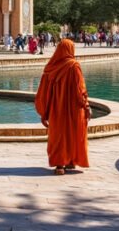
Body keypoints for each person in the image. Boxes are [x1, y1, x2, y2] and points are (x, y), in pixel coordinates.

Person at [34, 38, 90, 175]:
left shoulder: (49, 68)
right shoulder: (73, 66)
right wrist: (86, 106)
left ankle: (60, 165)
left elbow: (43, 93)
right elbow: (79, 90)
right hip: (73, 109)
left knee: (58, 136)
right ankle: (71, 161)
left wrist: (44, 112)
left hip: (56, 109)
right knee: (72, 134)